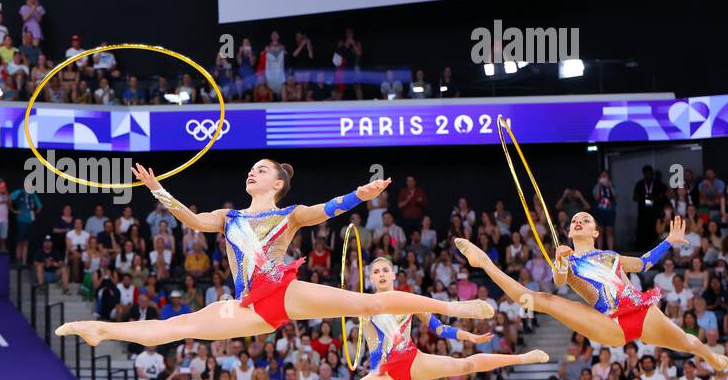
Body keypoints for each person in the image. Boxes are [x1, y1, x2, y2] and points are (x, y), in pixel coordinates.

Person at [58, 160, 493, 348]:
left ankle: (455, 306)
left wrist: (360, 195)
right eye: (252, 169)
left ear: (277, 183)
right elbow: (191, 220)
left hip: (282, 292)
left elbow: (329, 210)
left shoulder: (290, 215)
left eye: (261, 170)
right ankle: (100, 330)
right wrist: (158, 190)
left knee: (370, 302)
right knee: (178, 327)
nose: (253, 172)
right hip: (249, 305)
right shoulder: (228, 218)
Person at [280, 257, 547, 380]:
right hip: (384, 370)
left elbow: (439, 328)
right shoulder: (362, 304)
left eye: (386, 270)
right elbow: (362, 335)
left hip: (412, 359)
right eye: (376, 272)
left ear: (394, 274)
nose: (382, 274)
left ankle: (523, 358)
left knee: (465, 364)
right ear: (370, 278)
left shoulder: (409, 299)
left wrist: (470, 337)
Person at [457, 215, 727, 371]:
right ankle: (484, 262)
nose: (579, 222)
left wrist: (668, 241)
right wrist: (561, 261)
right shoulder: (569, 260)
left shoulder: (610, 256)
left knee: (689, 344)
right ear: (569, 231)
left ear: (595, 231)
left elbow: (644, 263)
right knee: (543, 300)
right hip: (608, 323)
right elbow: (560, 280)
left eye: (585, 220)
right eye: (574, 220)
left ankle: (712, 357)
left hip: (641, 311)